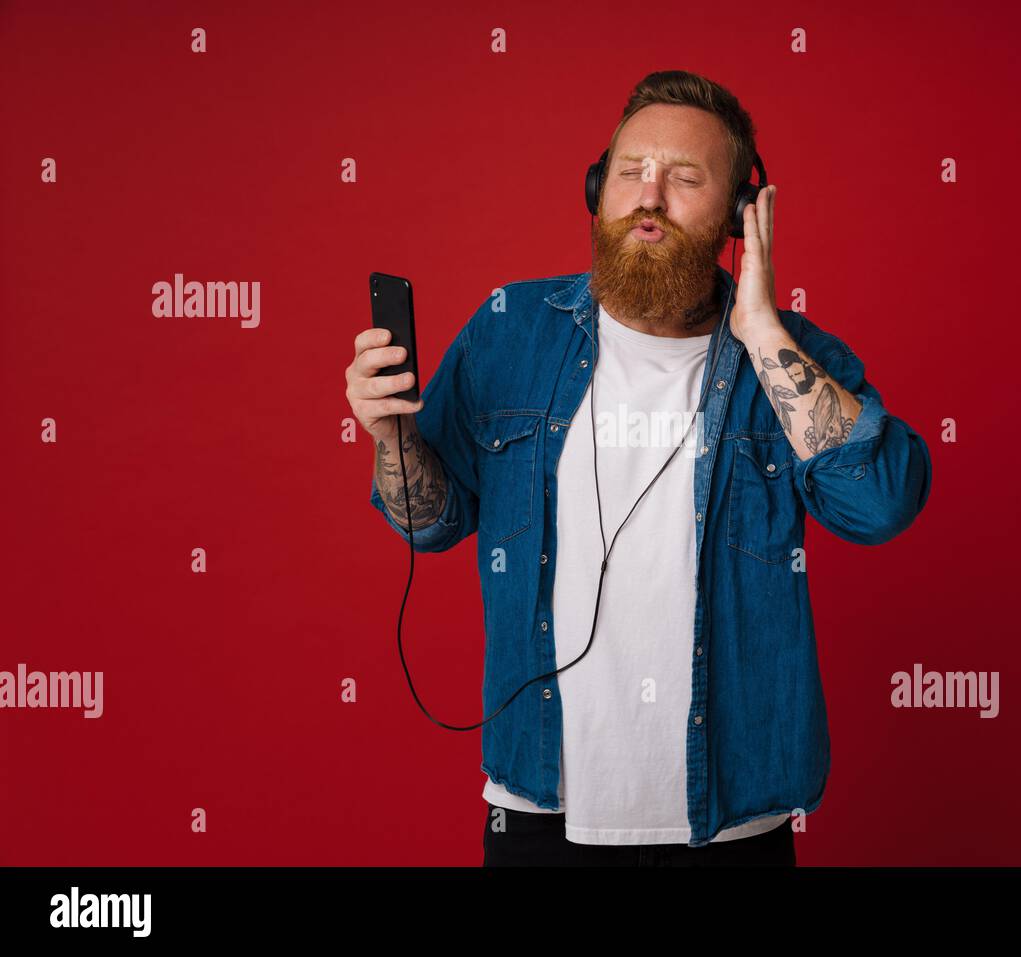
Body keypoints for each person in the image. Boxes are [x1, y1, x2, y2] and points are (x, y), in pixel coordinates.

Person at [345, 70, 932, 866]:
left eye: (685, 178)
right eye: (630, 172)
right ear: (598, 187)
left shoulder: (792, 356)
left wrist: (760, 331)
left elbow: (881, 505)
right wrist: (390, 438)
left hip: (729, 822)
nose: (649, 196)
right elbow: (428, 520)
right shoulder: (508, 331)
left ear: (737, 214)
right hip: (538, 810)